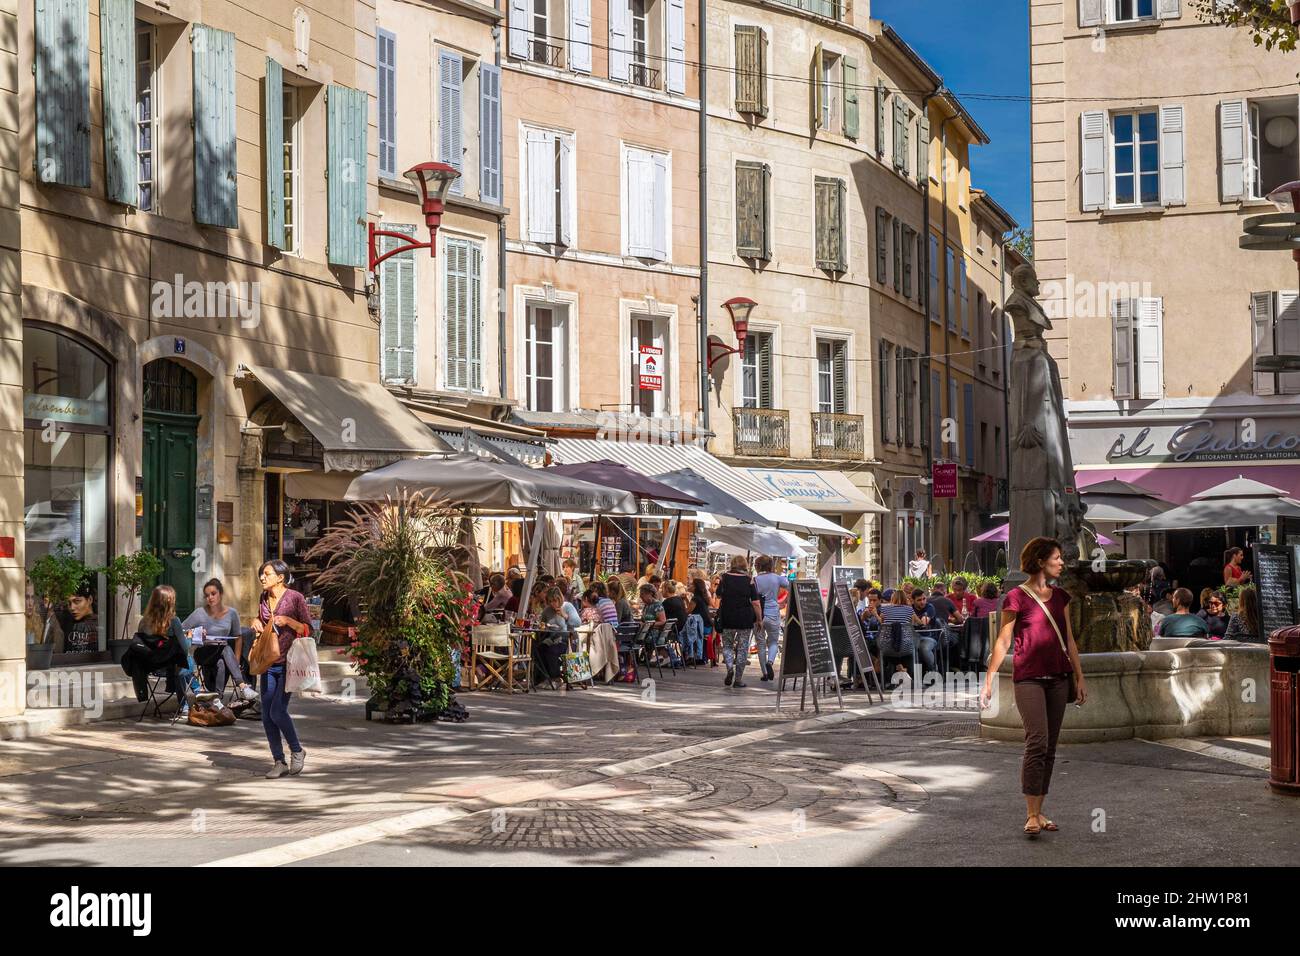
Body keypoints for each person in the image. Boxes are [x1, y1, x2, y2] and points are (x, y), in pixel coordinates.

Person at [981, 536, 1086, 838]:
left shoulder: (1061, 597)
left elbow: (1069, 641)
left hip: (1058, 677)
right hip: (1028, 677)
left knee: (1050, 747)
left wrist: (1080, 677)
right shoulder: (1016, 597)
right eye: (1057, 557)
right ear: (1041, 561)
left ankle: (1039, 811)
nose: (1062, 562)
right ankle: (1030, 813)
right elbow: (1003, 641)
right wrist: (989, 679)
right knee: (1037, 741)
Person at [256, 559, 312, 779]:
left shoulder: (295, 598)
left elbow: (309, 629)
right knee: (266, 715)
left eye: (266, 574)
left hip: (289, 662)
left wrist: (288, 621)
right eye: (262, 574)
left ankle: (297, 750)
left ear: (280, 577)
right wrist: (255, 622)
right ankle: (279, 761)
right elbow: (262, 621)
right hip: (267, 662)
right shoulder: (263, 598)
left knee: (277, 711)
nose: (262, 577)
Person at [182, 578, 257, 703]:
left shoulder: (232, 613)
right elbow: (182, 630)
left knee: (221, 662)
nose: (210, 598)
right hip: (203, 653)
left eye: (213, 594)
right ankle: (243, 686)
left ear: (220, 594)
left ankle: (217, 700)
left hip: (222, 654)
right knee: (225, 647)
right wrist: (197, 633)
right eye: (207, 595)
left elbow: (238, 637)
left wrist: (236, 660)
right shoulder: (199, 613)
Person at [137, 584, 200, 718]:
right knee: (185, 659)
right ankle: (196, 693)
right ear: (170, 602)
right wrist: (189, 637)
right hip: (172, 669)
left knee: (177, 661)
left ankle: (190, 700)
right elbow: (185, 648)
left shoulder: (143, 622)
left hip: (152, 668)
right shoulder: (174, 621)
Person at [715, 555, 761, 688]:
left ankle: (730, 667)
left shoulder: (725, 577)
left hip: (727, 616)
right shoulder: (749, 580)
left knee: (727, 645)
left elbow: (718, 594)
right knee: (742, 649)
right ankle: (738, 679)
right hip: (744, 618)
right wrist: (759, 619)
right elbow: (756, 602)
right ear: (744, 565)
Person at [536, 587, 582, 688]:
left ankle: (556, 678)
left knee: (552, 651)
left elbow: (578, 622)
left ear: (560, 599)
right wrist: (542, 625)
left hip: (567, 639)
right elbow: (542, 623)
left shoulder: (567, 606)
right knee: (538, 649)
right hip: (552, 638)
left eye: (555, 601)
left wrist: (565, 616)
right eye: (550, 601)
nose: (553, 604)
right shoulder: (547, 610)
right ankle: (543, 677)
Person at [753, 555, 785, 682]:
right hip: (773, 613)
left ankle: (765, 673)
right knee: (773, 641)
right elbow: (792, 586)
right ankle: (770, 662)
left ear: (759, 566)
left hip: (758, 615)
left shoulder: (754, 580)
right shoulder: (777, 578)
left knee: (760, 644)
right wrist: (784, 601)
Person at [685, 577, 712, 665]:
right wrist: (686, 599)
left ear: (696, 587)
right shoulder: (703, 598)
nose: (690, 585)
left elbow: (688, 611)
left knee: (684, 631)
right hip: (708, 626)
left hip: (701, 628)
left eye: (692, 584)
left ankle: (690, 655)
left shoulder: (695, 598)